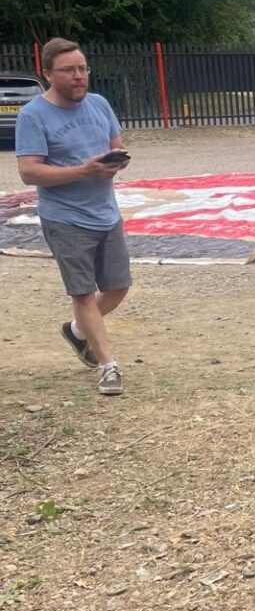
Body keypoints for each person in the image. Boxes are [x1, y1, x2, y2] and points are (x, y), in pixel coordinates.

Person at [16, 39, 132, 396]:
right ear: (48, 73)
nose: (78, 76)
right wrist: (83, 171)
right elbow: (30, 172)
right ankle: (108, 366)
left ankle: (78, 331)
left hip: (105, 213)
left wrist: (117, 159)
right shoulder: (33, 115)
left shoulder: (99, 104)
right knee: (83, 293)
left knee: (117, 287)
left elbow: (116, 143)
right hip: (65, 219)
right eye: (69, 70)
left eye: (82, 68)